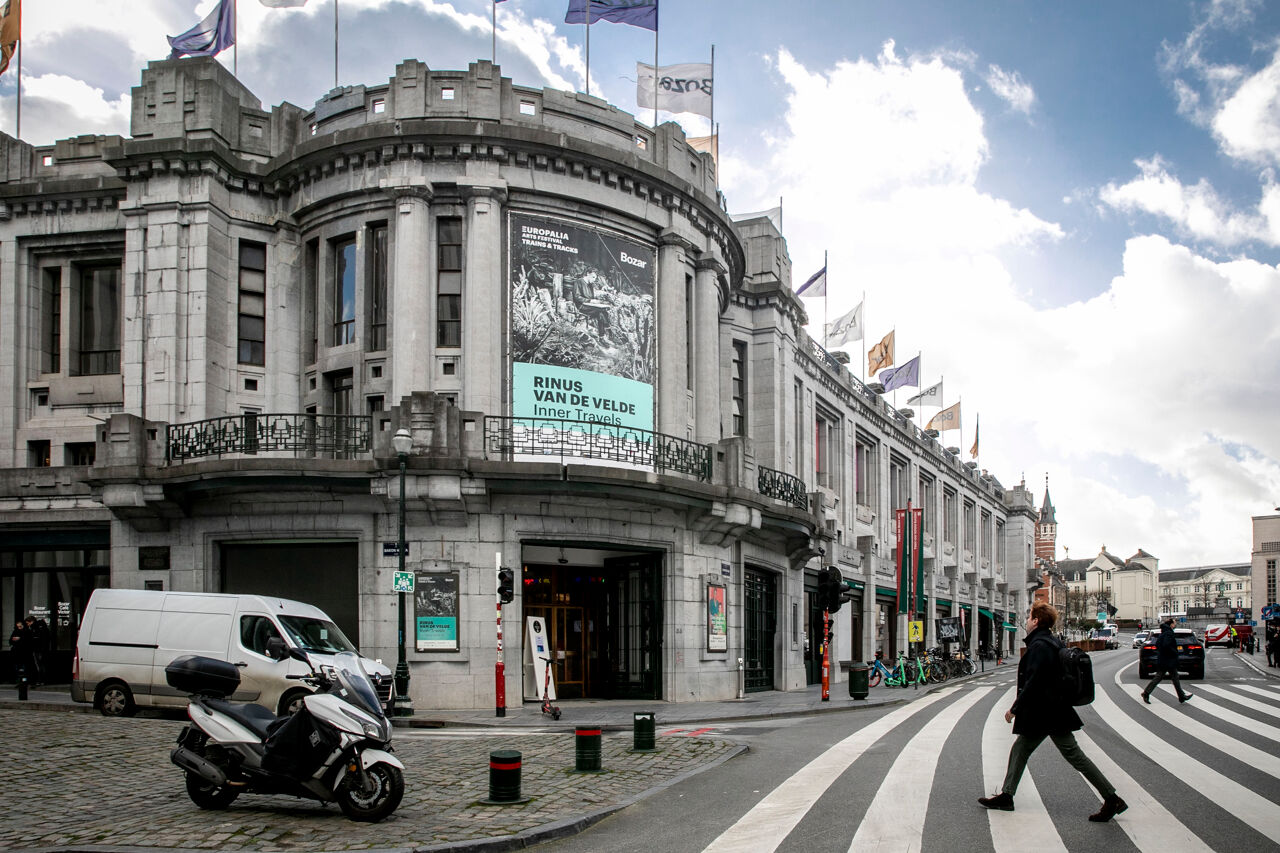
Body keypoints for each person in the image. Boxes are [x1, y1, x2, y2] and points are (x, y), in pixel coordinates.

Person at [978, 602, 1128, 823]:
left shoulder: (1040, 646)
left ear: (1036, 620)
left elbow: (1035, 681)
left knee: (1074, 756)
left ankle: (1111, 798)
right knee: (1021, 750)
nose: (1027, 620)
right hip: (1048, 711)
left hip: (1047, 713)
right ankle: (1007, 795)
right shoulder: (1049, 641)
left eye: (1029, 617)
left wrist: (1015, 708)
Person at [1141, 617, 1192, 705]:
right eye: (1174, 623)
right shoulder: (1168, 633)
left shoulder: (1164, 632)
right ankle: (1181, 696)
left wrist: (1163, 653)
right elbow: (1166, 645)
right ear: (1171, 624)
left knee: (1161, 677)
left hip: (1164, 659)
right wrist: (1174, 652)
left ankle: (1146, 693)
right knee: (1173, 678)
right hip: (1168, 660)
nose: (1175, 625)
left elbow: (1158, 644)